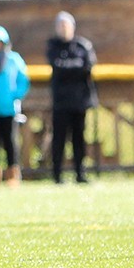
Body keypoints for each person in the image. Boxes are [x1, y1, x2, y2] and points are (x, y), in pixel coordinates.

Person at [47, 11, 97, 184]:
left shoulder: (83, 46)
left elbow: (87, 66)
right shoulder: (53, 46)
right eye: (60, 25)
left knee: (79, 139)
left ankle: (80, 173)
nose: (64, 29)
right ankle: (57, 175)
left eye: (66, 25)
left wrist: (69, 67)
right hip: (60, 102)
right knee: (59, 139)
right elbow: (58, 67)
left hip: (79, 101)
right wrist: (74, 67)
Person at [0, 26, 29, 187]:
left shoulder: (13, 59)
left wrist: (15, 96)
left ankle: (13, 174)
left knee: (10, 142)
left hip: (9, 109)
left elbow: (23, 80)